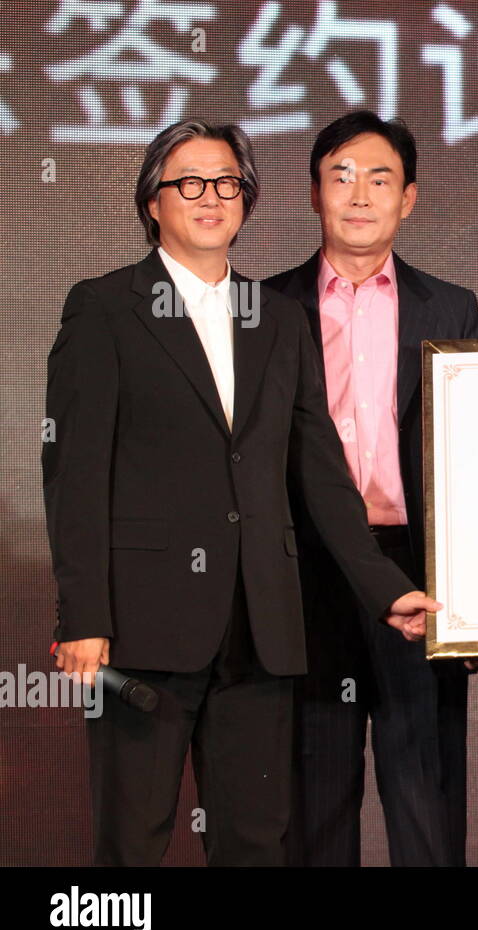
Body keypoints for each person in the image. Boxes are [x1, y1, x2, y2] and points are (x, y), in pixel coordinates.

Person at [42, 118, 440, 866]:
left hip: (261, 628)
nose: (210, 196)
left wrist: (385, 589)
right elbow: (74, 474)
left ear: (247, 202)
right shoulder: (103, 308)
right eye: (189, 182)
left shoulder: (278, 319)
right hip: (142, 630)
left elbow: (321, 473)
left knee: (256, 842)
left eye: (227, 183)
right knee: (131, 841)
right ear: (153, 203)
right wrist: (84, 615)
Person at [265, 111, 478, 867]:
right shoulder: (261, 307)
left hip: (415, 577)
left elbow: (470, 451)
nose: (360, 194)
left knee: (425, 790)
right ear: (314, 192)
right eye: (342, 175)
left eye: (380, 178)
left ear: (410, 198)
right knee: (315, 794)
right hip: (304, 574)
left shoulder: (449, 308)